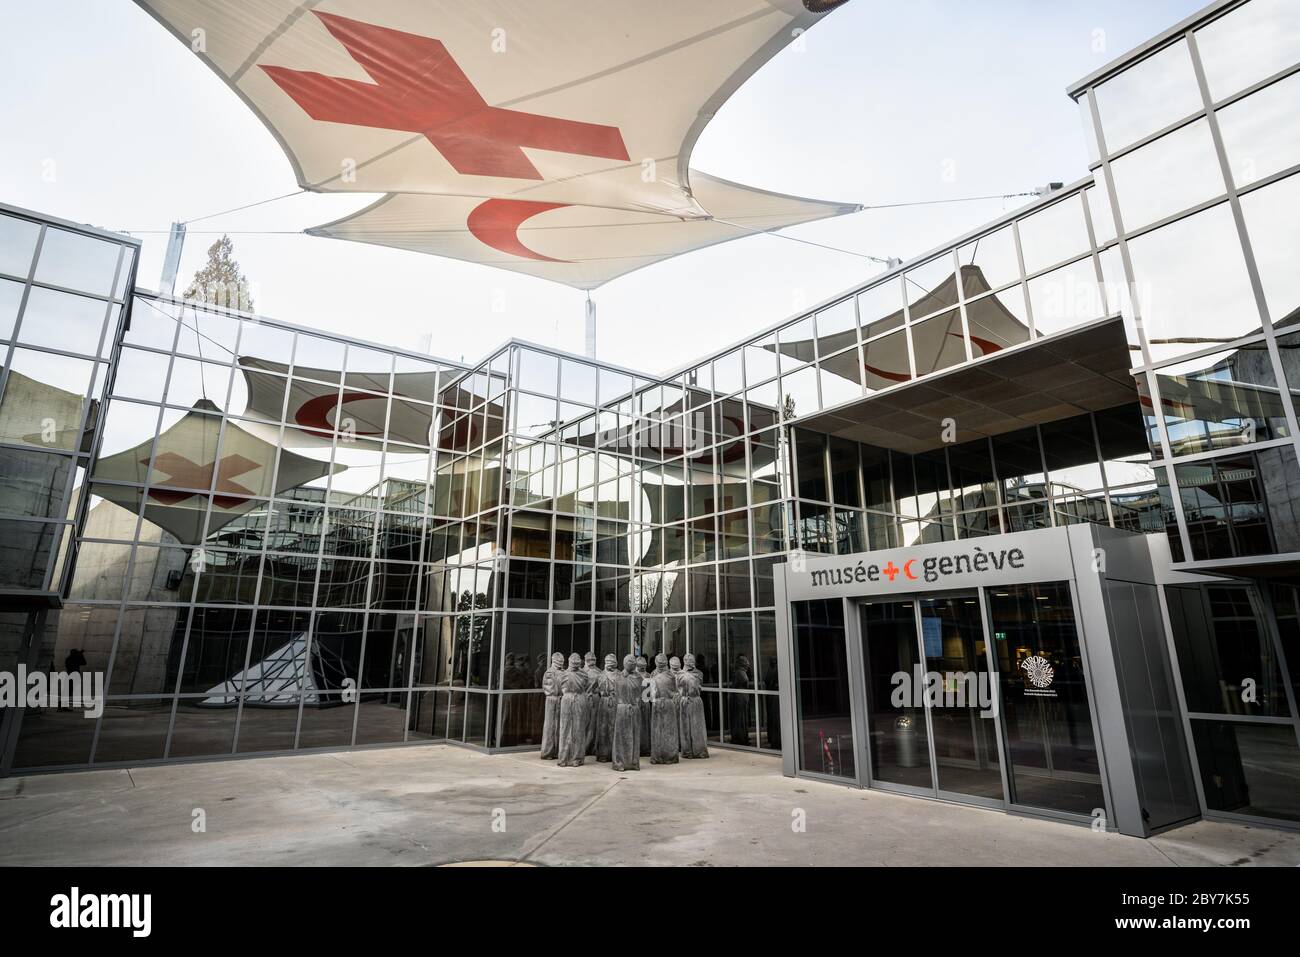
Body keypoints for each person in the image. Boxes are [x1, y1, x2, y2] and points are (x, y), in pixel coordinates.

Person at [557, 654, 588, 767]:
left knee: (578, 729)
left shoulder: (583, 674)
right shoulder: (564, 674)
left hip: (579, 700)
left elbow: (584, 685)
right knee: (565, 728)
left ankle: (577, 757)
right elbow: (561, 687)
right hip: (567, 700)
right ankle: (564, 757)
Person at [612, 655, 641, 771]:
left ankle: (633, 762)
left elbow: (644, 694)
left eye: (634, 661)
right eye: (630, 661)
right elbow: (615, 694)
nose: (632, 663)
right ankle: (619, 762)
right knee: (620, 736)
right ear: (624, 663)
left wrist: (637, 704)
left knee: (634, 735)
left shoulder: (639, 678)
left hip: (634, 709)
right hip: (622, 708)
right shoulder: (618, 677)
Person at [649, 653, 680, 765]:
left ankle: (660, 755)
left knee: (659, 730)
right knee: (667, 730)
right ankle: (668, 755)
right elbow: (675, 691)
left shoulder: (654, 675)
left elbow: (652, 694)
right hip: (667, 703)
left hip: (659, 704)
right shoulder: (670, 675)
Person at [678, 654, 709, 758]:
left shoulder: (699, 673)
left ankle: (699, 750)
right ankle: (687, 751)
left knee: (697, 727)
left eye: (691, 659)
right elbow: (677, 687)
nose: (689, 661)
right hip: (684, 701)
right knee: (685, 727)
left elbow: (698, 684)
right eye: (687, 660)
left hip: (695, 701)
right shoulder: (679, 674)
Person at [539, 652, 565, 759]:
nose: (561, 663)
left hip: (560, 700)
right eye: (559, 661)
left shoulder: (563, 672)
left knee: (560, 725)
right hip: (552, 700)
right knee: (550, 726)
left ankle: (558, 750)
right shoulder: (549, 672)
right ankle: (548, 751)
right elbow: (548, 687)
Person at [594, 654, 618, 762]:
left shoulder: (620, 675)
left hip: (615, 702)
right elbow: (594, 689)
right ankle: (603, 753)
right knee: (603, 728)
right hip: (603, 702)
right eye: (608, 662)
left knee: (614, 727)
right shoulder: (601, 675)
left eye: (612, 662)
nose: (610, 664)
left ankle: (614, 752)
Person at [582, 651, 602, 756]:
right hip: (585, 699)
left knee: (594, 723)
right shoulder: (581, 672)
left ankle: (593, 746)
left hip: (595, 699)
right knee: (585, 723)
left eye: (593, 660)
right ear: (585, 661)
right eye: (589, 660)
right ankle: (584, 747)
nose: (592, 662)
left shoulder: (599, 672)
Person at [635, 656, 652, 756]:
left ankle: (644, 747)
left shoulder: (647, 675)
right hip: (638, 702)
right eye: (640, 666)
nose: (642, 668)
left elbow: (650, 693)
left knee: (644, 725)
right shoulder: (635, 675)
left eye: (643, 666)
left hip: (644, 702)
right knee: (638, 725)